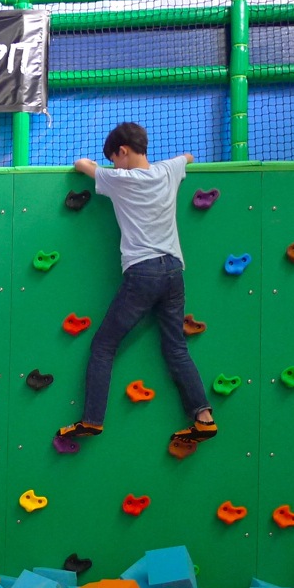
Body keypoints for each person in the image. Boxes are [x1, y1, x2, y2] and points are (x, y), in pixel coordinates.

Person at [56, 121, 217, 448]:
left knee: (103, 346)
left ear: (123, 152)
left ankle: (92, 420)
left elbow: (81, 165)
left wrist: (98, 165)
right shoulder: (168, 171)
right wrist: (180, 159)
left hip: (143, 273)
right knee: (176, 347)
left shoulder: (119, 179)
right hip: (174, 270)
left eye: (114, 158)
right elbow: (188, 157)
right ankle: (203, 419)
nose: (113, 164)